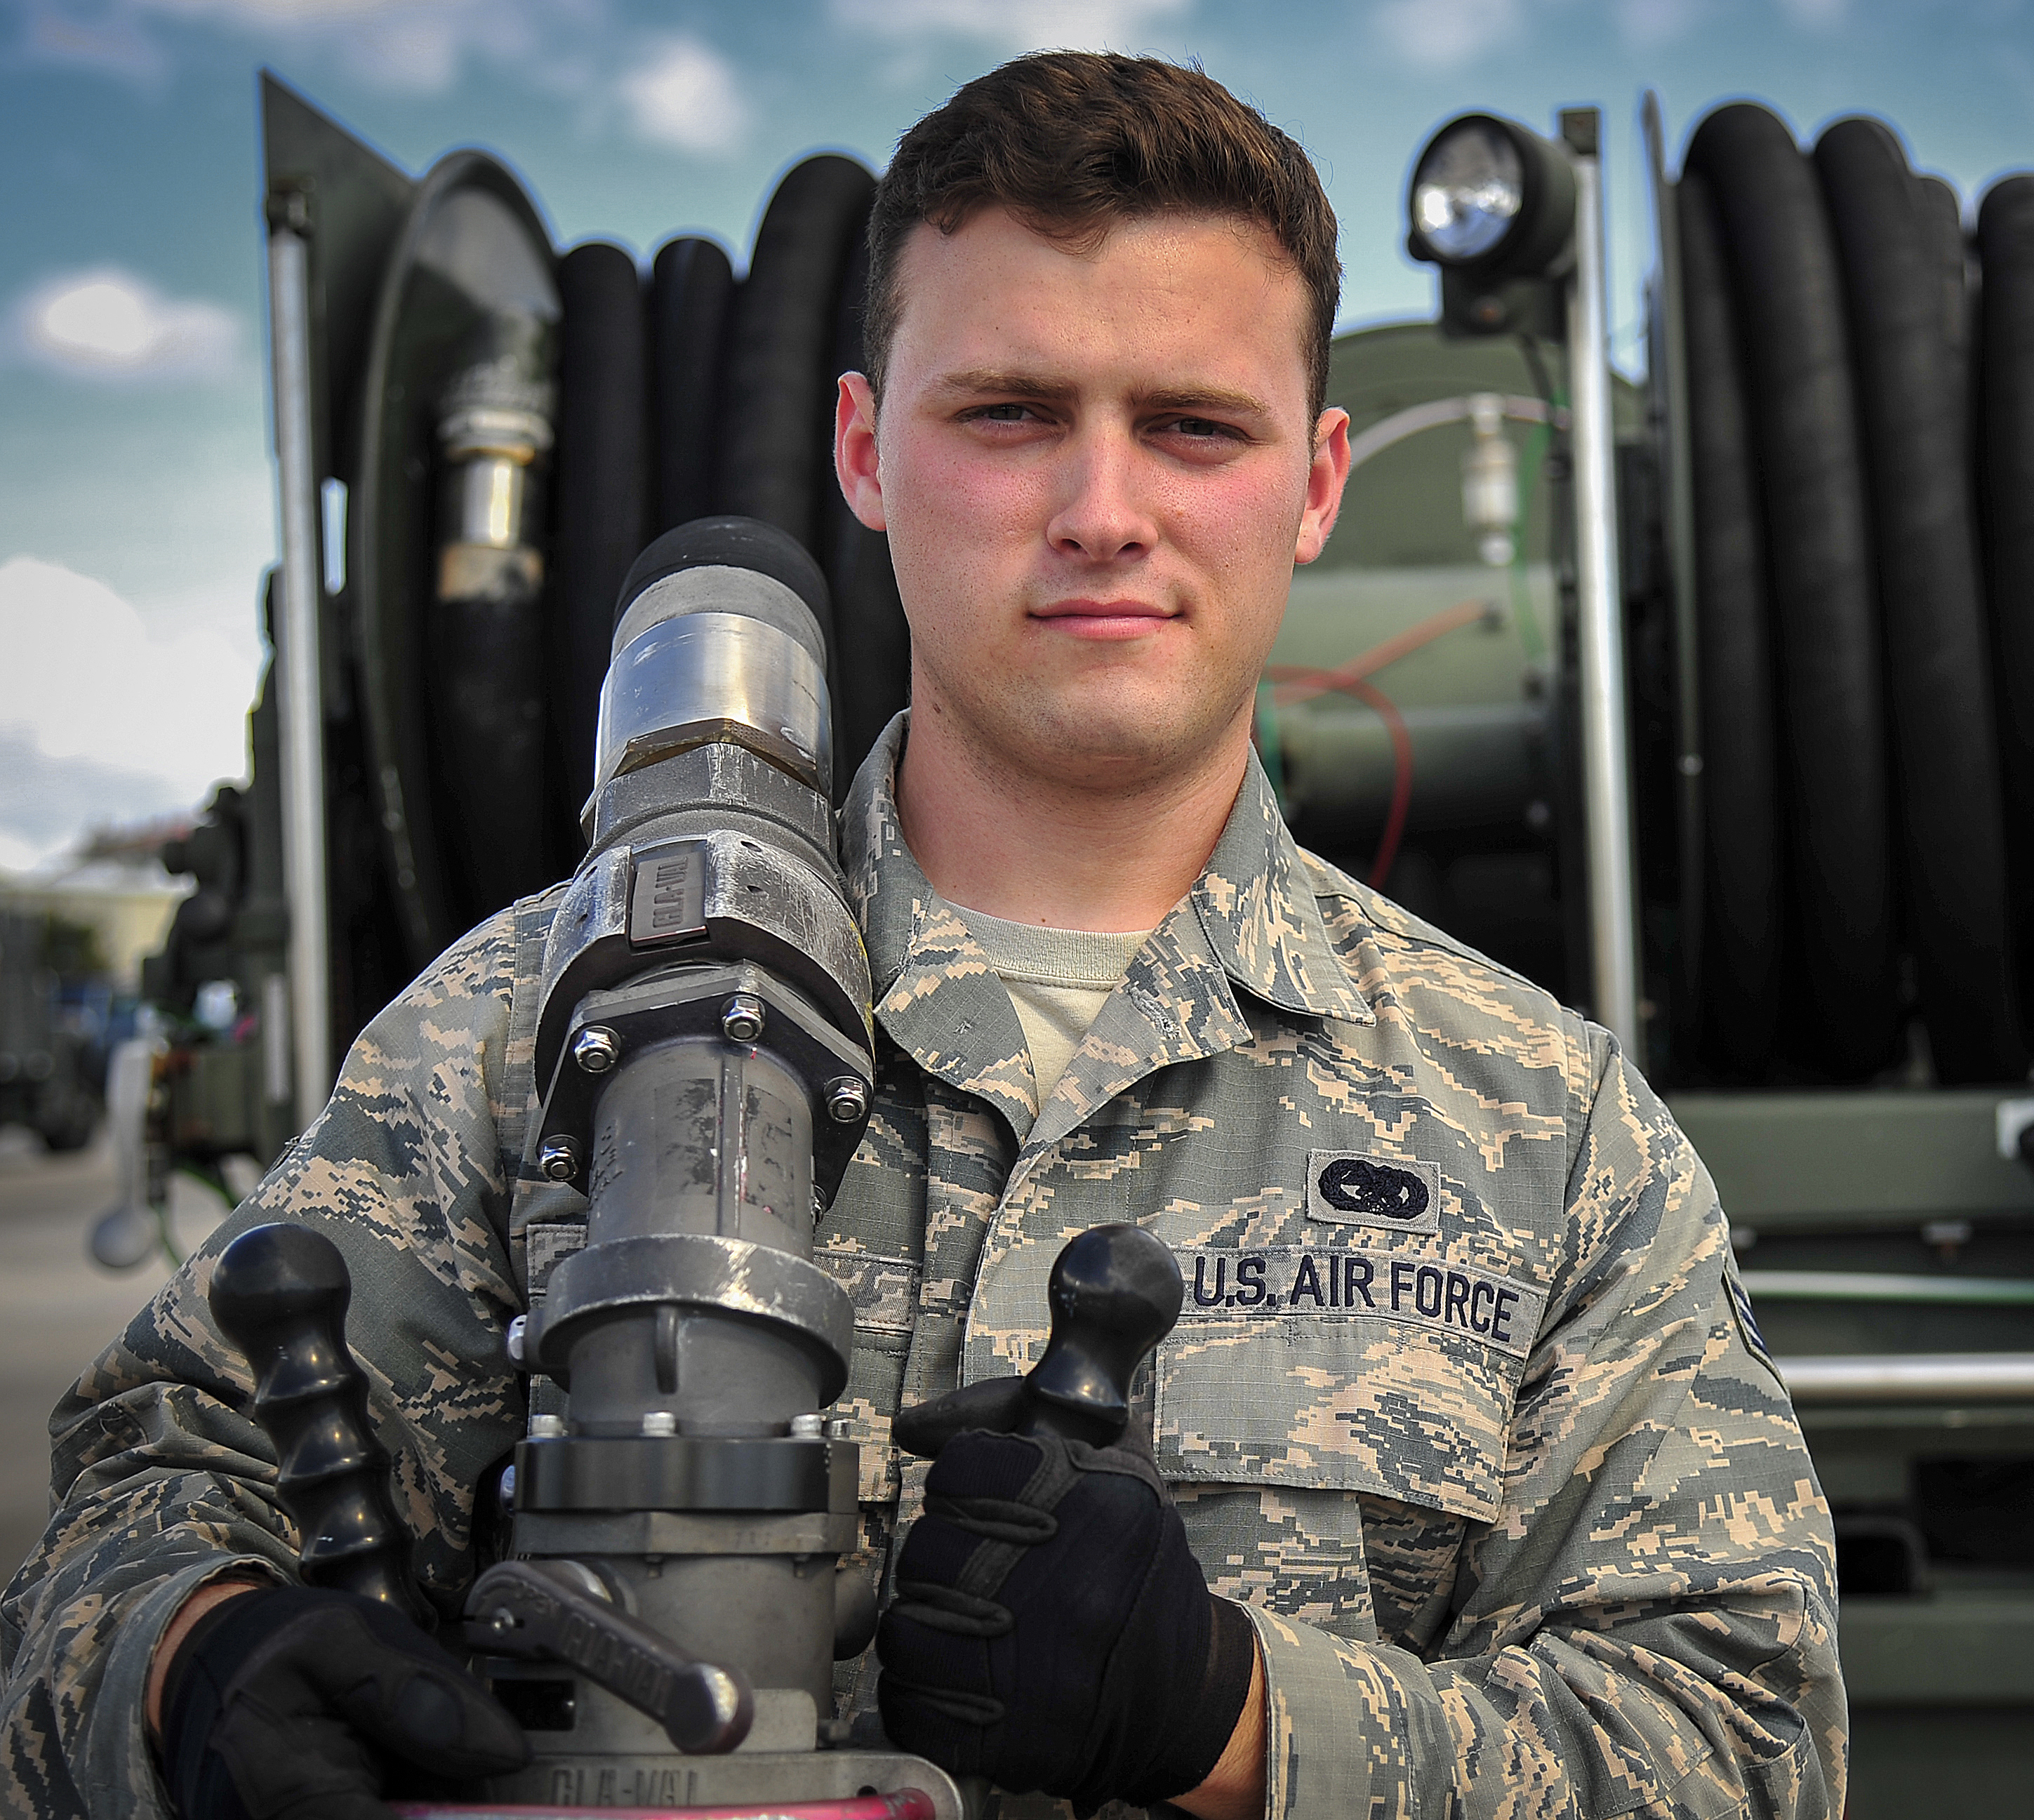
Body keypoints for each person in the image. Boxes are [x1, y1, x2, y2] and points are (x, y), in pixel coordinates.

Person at [0, 51, 1845, 1820]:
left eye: (1192, 427)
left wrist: (1235, 1715)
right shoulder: (515, 1031)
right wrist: (197, 1665)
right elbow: (128, 1526)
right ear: (866, 450)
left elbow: (1748, 1743)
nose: (1101, 510)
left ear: (1316, 480)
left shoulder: (1543, 1126)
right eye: (1010, 414)